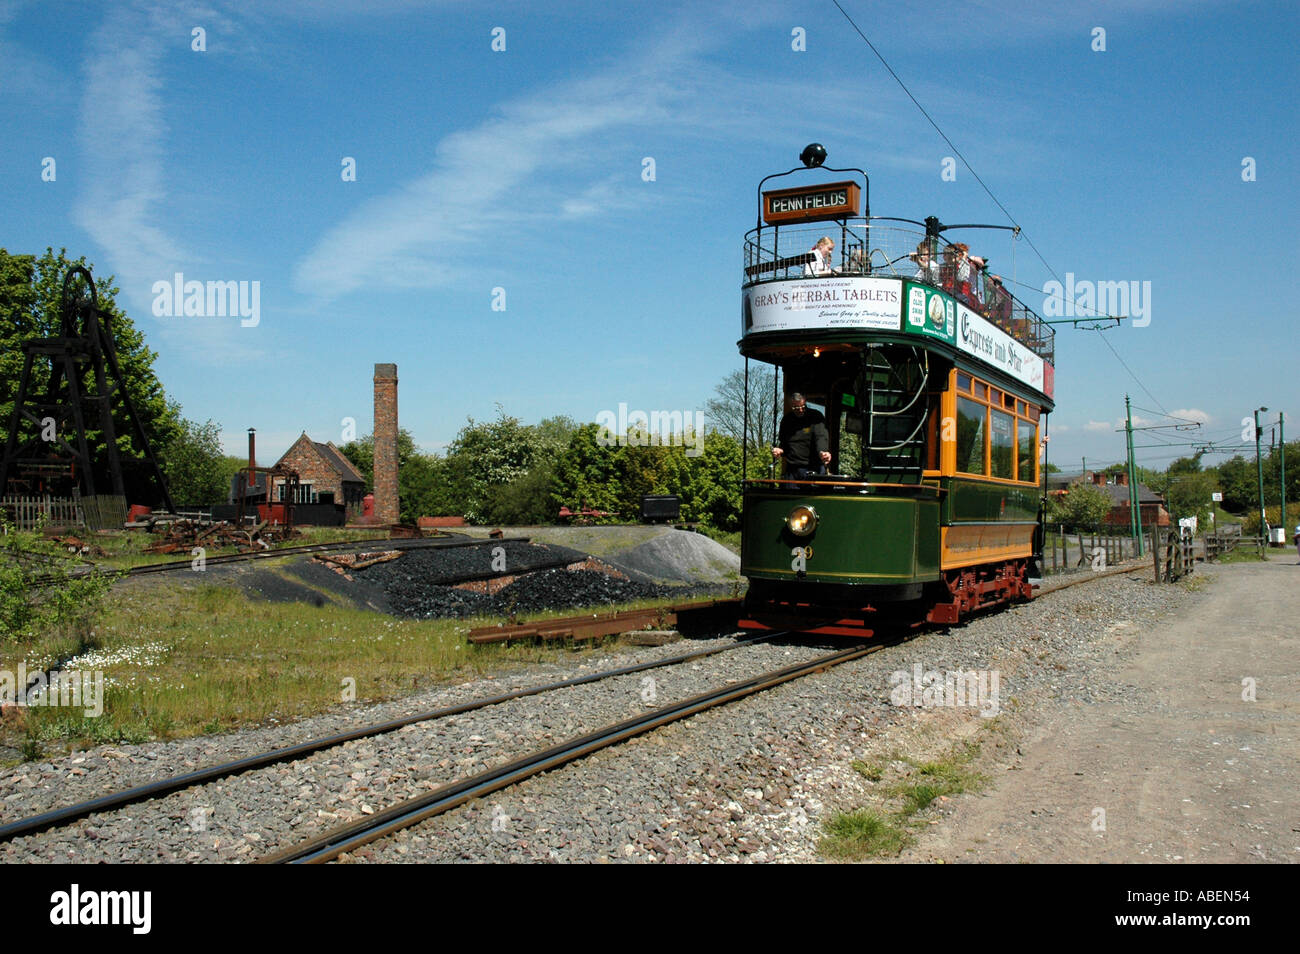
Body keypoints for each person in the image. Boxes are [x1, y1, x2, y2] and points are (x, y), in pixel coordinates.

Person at [772, 393, 831, 478]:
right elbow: (784, 443)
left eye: (803, 407)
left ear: (805, 402)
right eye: (796, 408)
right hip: (792, 469)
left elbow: (821, 437)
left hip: (814, 467)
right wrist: (780, 450)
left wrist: (822, 452)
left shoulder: (816, 417)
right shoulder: (786, 420)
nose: (800, 410)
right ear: (791, 405)